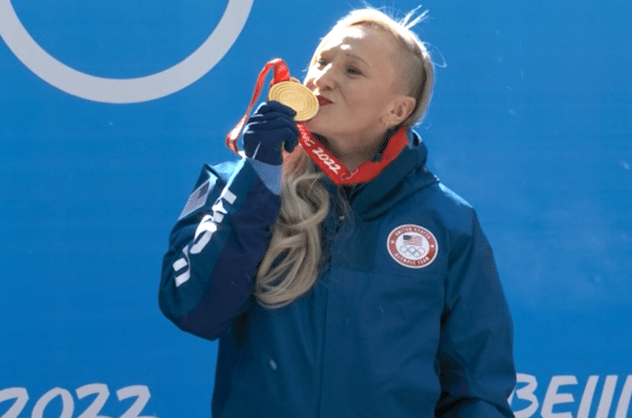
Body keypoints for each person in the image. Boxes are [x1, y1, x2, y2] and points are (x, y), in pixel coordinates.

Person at [159, 7, 516, 418]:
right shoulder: (235, 183)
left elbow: (478, 389)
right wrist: (256, 179)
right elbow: (191, 308)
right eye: (321, 61)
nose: (323, 78)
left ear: (397, 110)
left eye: (353, 70)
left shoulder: (448, 222)